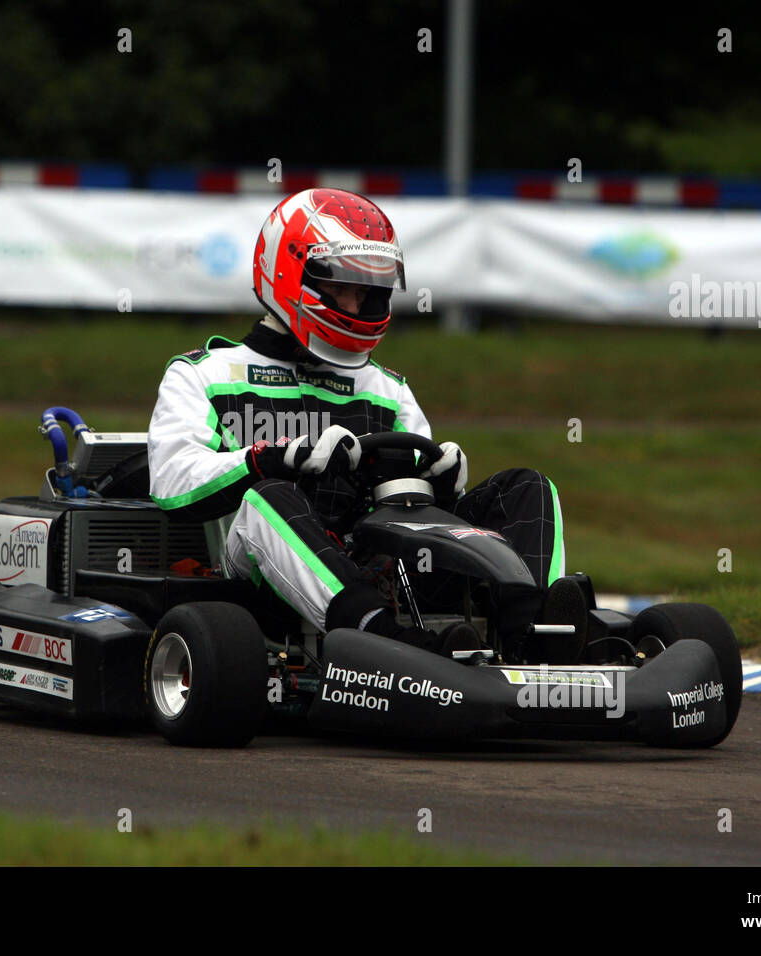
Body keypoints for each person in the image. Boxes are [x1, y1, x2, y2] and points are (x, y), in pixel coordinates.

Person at [147, 188, 581, 657]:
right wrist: (270, 459)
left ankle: (534, 635)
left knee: (526, 487)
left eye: (369, 289)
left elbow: (414, 516)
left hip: (389, 570)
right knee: (270, 498)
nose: (357, 306)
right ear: (290, 275)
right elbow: (172, 482)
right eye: (342, 287)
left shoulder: (386, 389)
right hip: (257, 582)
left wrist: (441, 487)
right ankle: (385, 644)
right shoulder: (204, 375)